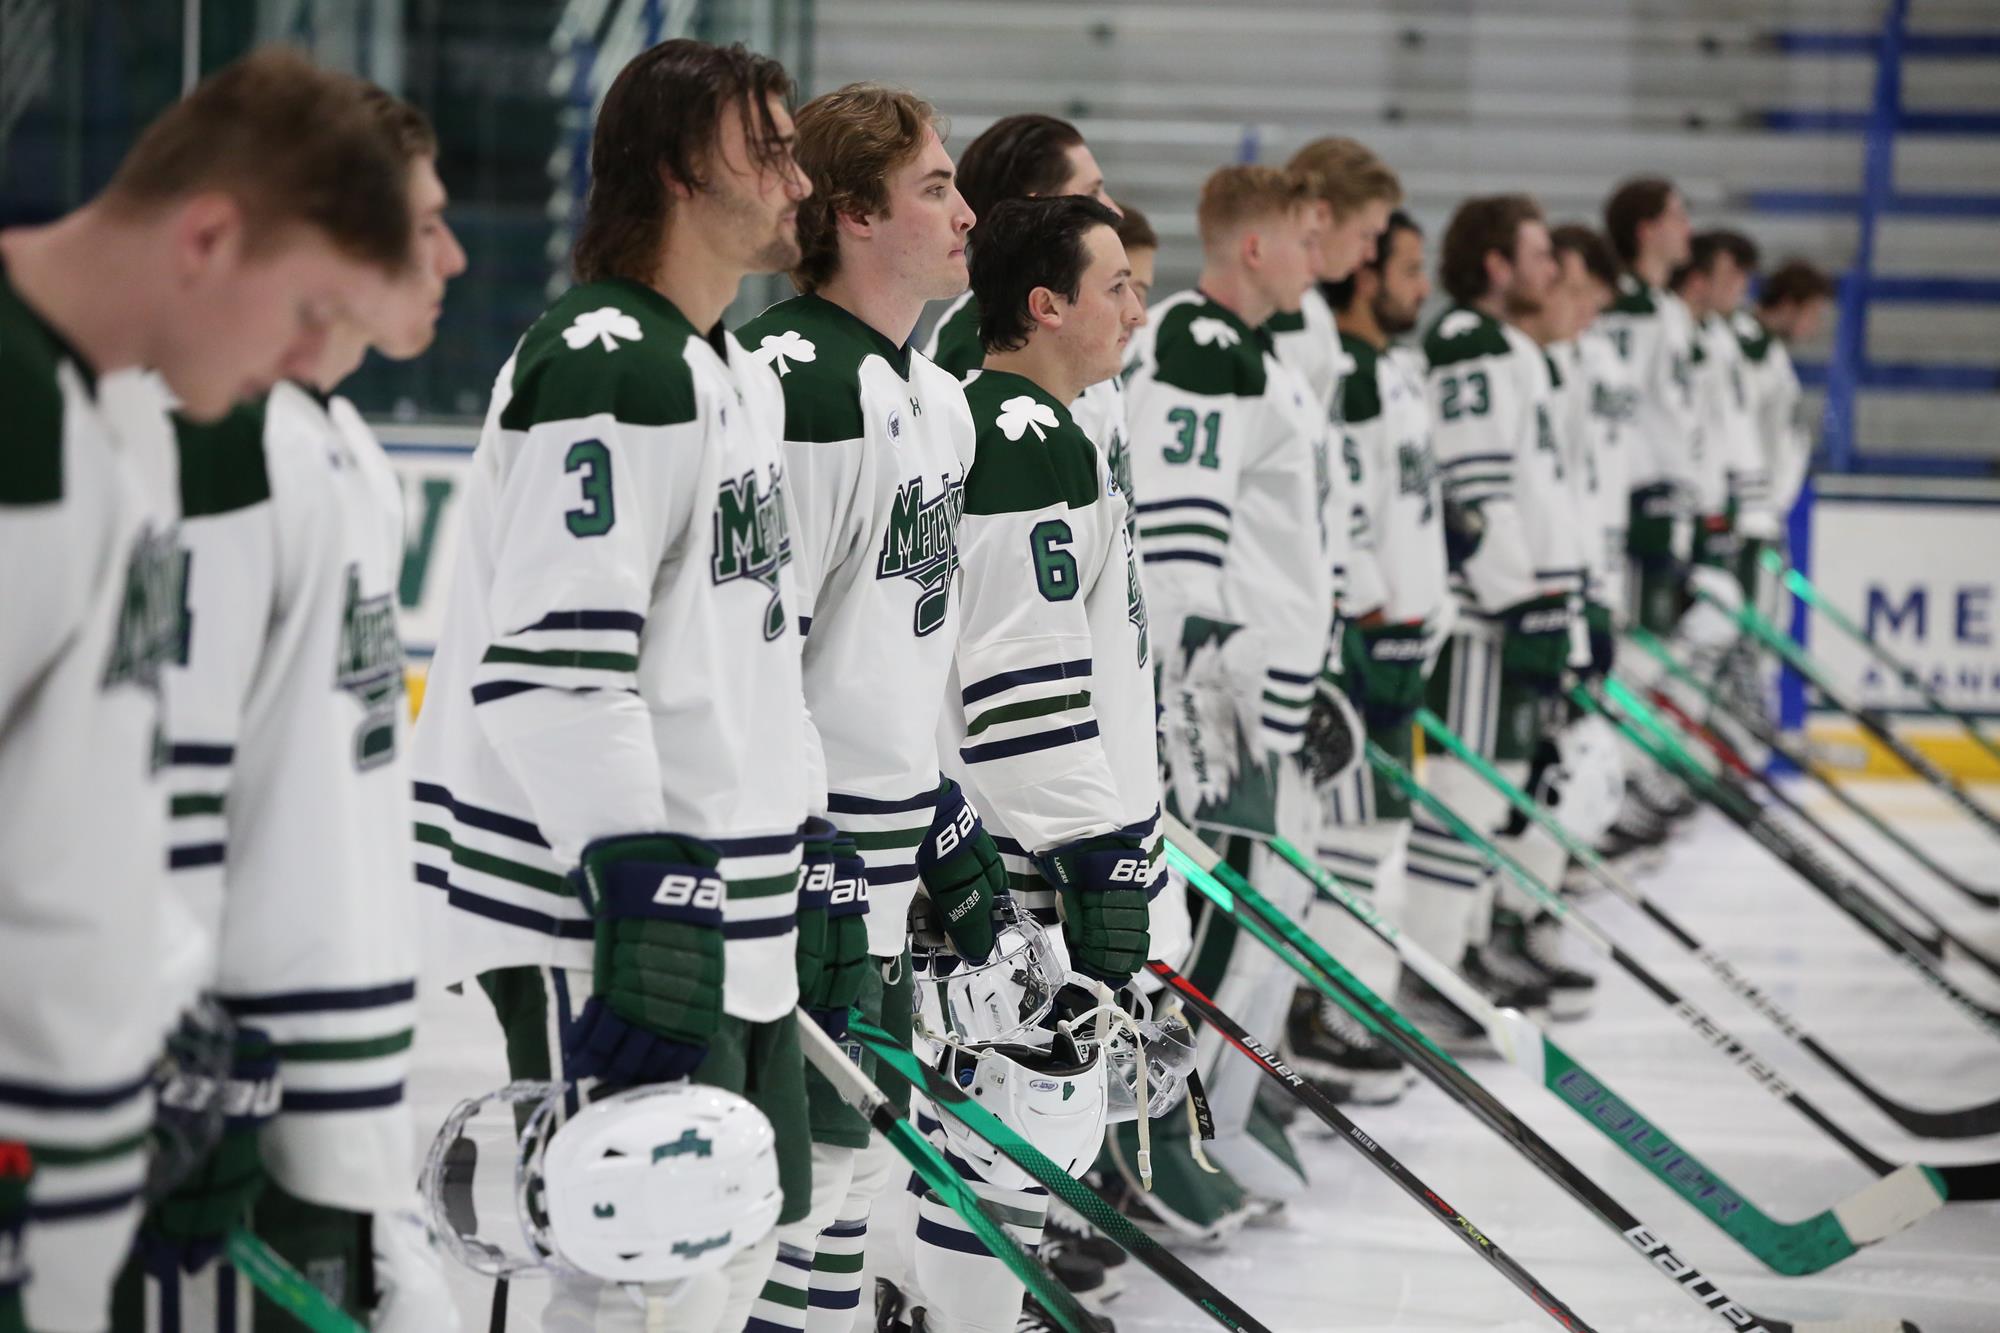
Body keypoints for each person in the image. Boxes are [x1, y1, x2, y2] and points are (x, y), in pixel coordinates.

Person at [0, 48, 412, 1333]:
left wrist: (161, 1015)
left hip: (74, 1149)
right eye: (304, 309)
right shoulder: (17, 417)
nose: (308, 357)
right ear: (211, 234)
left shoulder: (114, 424)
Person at [408, 38, 814, 1332]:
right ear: (682, 168)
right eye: (772, 148)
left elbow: (742, 666)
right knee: (615, 1265)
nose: (799, 179)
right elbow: (553, 673)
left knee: (716, 1259)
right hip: (602, 907)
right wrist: (644, 887)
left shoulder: (723, 368)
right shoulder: (606, 361)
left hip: (714, 899)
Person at [103, 88, 466, 1333]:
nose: (450, 258)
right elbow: (150, 779)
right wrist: (160, 1047)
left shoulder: (339, 445)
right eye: (421, 224)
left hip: (340, 1081)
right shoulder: (207, 440)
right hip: (230, 1089)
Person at [733, 83, 984, 1333]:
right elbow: (751, 645)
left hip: (883, 856)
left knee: (854, 1171)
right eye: (934, 188)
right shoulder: (797, 385)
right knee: (793, 1185)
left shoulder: (932, 397)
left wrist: (943, 810)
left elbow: (900, 643)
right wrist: (804, 848)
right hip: (804, 863)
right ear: (849, 214)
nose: (965, 212)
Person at [925, 192, 1152, 1333]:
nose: (1134, 304)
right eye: (1114, 285)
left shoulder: (1041, 420)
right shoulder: (1018, 431)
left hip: (1026, 824)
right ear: (1043, 304)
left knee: (1018, 1121)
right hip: (1016, 843)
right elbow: (1018, 687)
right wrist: (1094, 850)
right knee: (1015, 1112)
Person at [1121, 164, 1330, 1238]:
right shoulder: (1200, 347)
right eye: (1303, 233)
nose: (1317, 250)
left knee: (1260, 925)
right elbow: (1180, 539)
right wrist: (1198, 685)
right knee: (1212, 923)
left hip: (1263, 694)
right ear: (1252, 246)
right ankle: (1148, 1131)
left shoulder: (1252, 352)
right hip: (1217, 698)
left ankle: (1203, 1118)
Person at [1402, 194, 1587, 1040]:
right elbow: (1473, 494)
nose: (1553, 271)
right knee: (1465, 791)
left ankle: (1462, 945)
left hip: (1522, 610)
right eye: (1539, 253)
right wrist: (1525, 601)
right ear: (1495, 265)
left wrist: (1566, 603)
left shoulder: (1518, 350)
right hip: (1486, 620)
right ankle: (1431, 966)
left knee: (1498, 788)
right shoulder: (1470, 342)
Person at [1291, 209, 1438, 1106]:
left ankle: (1343, 1001)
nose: (1418, 286)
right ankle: (1324, 1007)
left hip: (1403, 634)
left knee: (1374, 831)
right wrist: (1369, 597)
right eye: (1405, 266)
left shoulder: (1390, 370)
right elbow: (1342, 502)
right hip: (1359, 639)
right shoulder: (1348, 371)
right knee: (1344, 834)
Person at [1597, 177, 1697, 637]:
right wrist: (1640, 488)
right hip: (1639, 499)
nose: (1687, 228)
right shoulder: (1626, 307)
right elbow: (1619, 406)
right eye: (1676, 216)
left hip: (1669, 497)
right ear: (1646, 230)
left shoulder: (1666, 308)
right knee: (1639, 644)